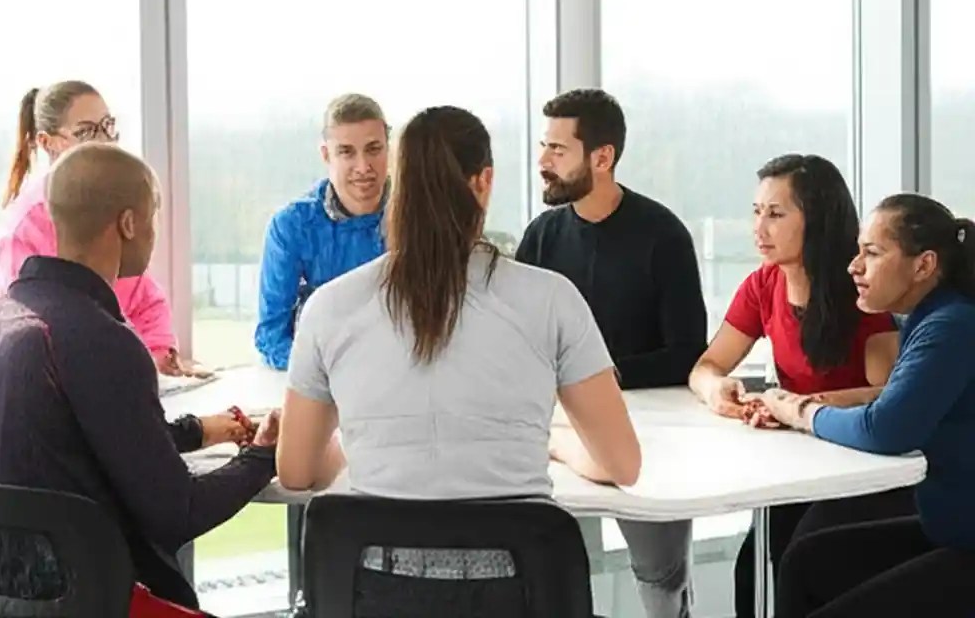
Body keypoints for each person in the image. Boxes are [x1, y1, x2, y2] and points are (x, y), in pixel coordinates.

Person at [277, 105, 640, 613]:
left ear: (398, 185)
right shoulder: (552, 300)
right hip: (517, 597)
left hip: (376, 596)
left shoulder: (332, 307)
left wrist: (356, 442)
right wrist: (555, 446)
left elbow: (296, 470)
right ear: (484, 181)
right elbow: (621, 463)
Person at [0, 142, 279, 612]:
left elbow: (69, 443)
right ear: (129, 223)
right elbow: (178, 513)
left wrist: (198, 431)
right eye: (154, 217)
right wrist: (264, 457)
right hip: (89, 600)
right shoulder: (101, 339)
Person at [686, 155, 910, 617]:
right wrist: (717, 390)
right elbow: (707, 364)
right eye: (756, 212)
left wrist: (800, 407)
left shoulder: (862, 289)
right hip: (800, 463)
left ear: (818, 218)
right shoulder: (763, 284)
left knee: (794, 560)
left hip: (861, 469)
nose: (759, 228)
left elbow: (888, 390)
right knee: (755, 567)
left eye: (775, 214)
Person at [515, 88, 703, 618]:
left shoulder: (663, 235)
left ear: (602, 157)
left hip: (645, 435)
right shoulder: (541, 236)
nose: (542, 162)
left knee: (663, 580)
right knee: (550, 573)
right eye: (543, 146)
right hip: (552, 433)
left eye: (557, 149)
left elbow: (687, 351)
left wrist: (599, 380)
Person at [760, 194, 975, 617]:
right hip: (949, 529)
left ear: (924, 265)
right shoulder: (929, 319)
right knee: (807, 561)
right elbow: (894, 407)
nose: (853, 266)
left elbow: (886, 429)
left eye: (872, 253)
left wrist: (802, 414)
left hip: (966, 541)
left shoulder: (952, 325)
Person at [0, 80, 205, 376]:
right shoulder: (21, 230)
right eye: (88, 131)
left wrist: (157, 359)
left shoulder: (112, 205)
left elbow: (145, 301)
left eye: (108, 126)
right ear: (47, 142)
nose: (104, 139)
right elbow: (22, 336)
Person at [255, 93, 389, 370]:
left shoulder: (421, 217)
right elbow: (271, 335)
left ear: (390, 148)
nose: (363, 167)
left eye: (374, 149)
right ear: (326, 155)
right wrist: (323, 376)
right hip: (321, 377)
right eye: (347, 152)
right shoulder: (291, 227)